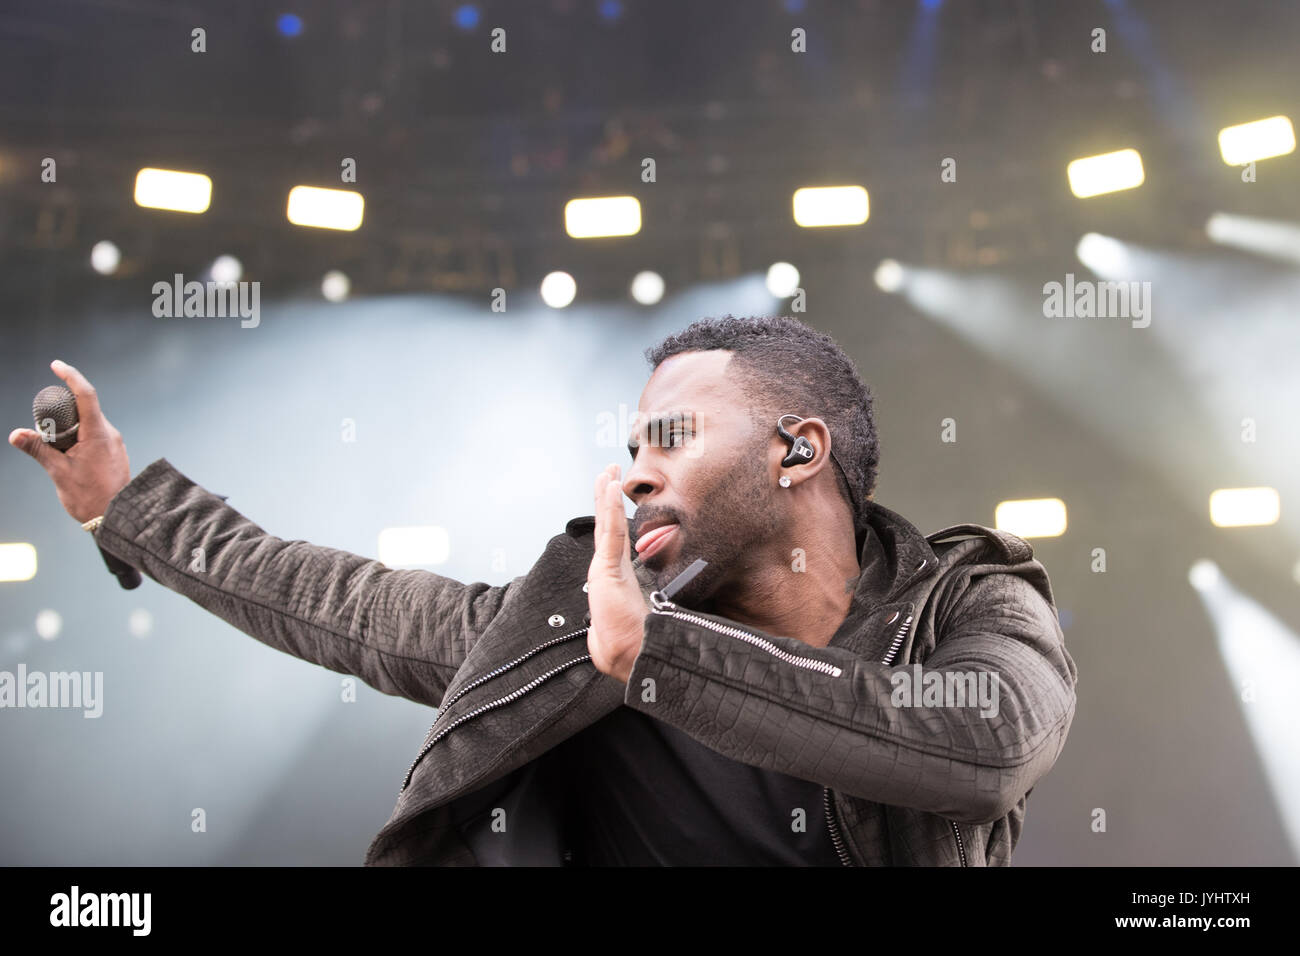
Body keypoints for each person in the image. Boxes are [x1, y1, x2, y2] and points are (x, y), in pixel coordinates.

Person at [9, 314, 1078, 866]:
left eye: (671, 438)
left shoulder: (969, 603)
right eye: (626, 447)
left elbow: (976, 750)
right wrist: (129, 506)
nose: (635, 469)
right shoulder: (575, 622)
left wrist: (654, 657)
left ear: (797, 451)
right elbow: (336, 598)